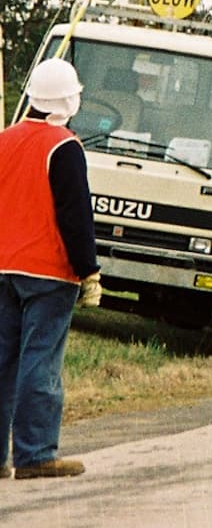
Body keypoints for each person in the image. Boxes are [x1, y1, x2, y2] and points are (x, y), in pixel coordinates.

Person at [1, 59, 102, 480]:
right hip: (49, 272)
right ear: (68, 101)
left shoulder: (4, 140)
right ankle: (36, 452)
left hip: (3, 265)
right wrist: (89, 271)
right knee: (40, 362)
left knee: (2, 362)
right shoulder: (65, 147)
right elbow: (75, 214)